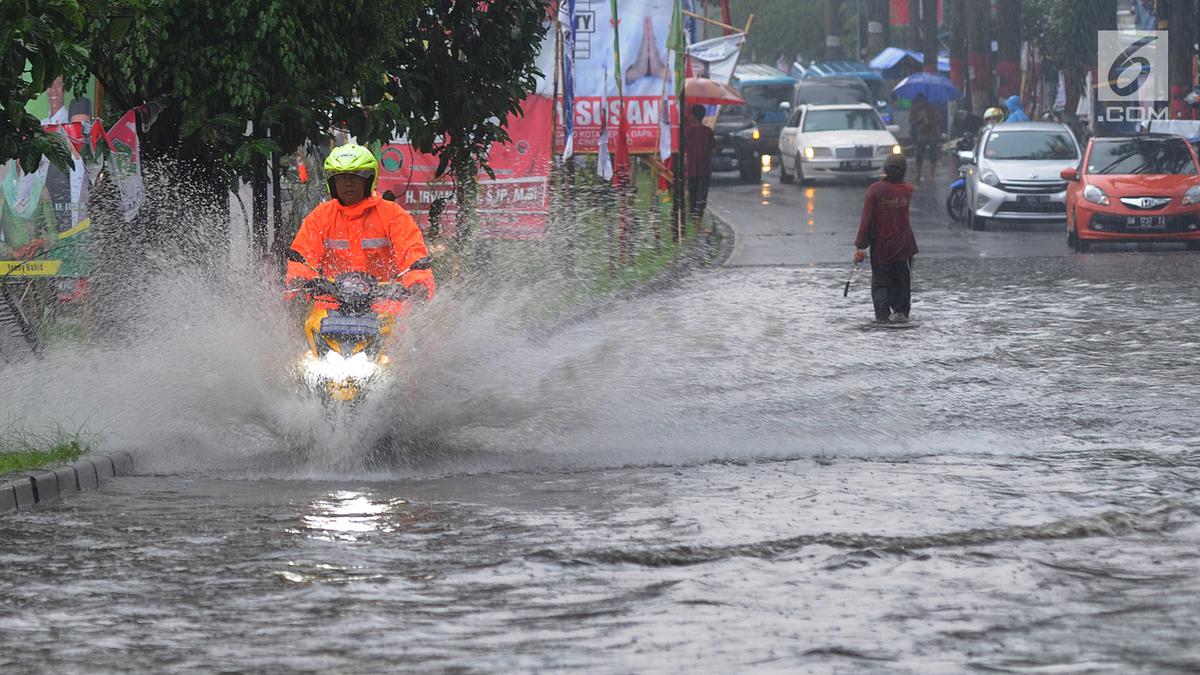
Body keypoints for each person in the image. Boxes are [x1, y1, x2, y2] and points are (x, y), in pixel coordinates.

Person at [286, 143, 434, 309]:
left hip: (385, 306)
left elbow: (413, 256)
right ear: (332, 182)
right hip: (330, 306)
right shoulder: (320, 216)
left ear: (369, 179)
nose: (348, 183)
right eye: (341, 177)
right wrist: (298, 283)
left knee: (406, 333)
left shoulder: (392, 214)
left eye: (355, 176)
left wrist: (418, 285)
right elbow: (303, 259)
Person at [854, 153, 918, 323]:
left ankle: (882, 323)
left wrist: (861, 245)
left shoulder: (875, 190)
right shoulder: (907, 190)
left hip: (882, 249)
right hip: (904, 249)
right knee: (902, 287)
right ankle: (901, 319)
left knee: (881, 285)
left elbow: (866, 220)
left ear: (885, 169)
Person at [683, 104, 715, 230]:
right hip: (704, 169)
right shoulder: (708, 132)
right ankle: (698, 220)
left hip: (691, 170)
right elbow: (712, 147)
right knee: (701, 195)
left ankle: (695, 222)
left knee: (693, 194)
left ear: (694, 116)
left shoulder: (687, 131)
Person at [909, 93, 940, 181]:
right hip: (921, 135)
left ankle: (932, 175)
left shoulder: (932, 108)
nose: (920, 103)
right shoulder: (914, 109)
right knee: (919, 154)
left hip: (932, 134)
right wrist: (921, 120)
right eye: (919, 101)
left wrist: (930, 121)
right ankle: (918, 174)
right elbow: (911, 122)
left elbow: (937, 119)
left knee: (933, 154)